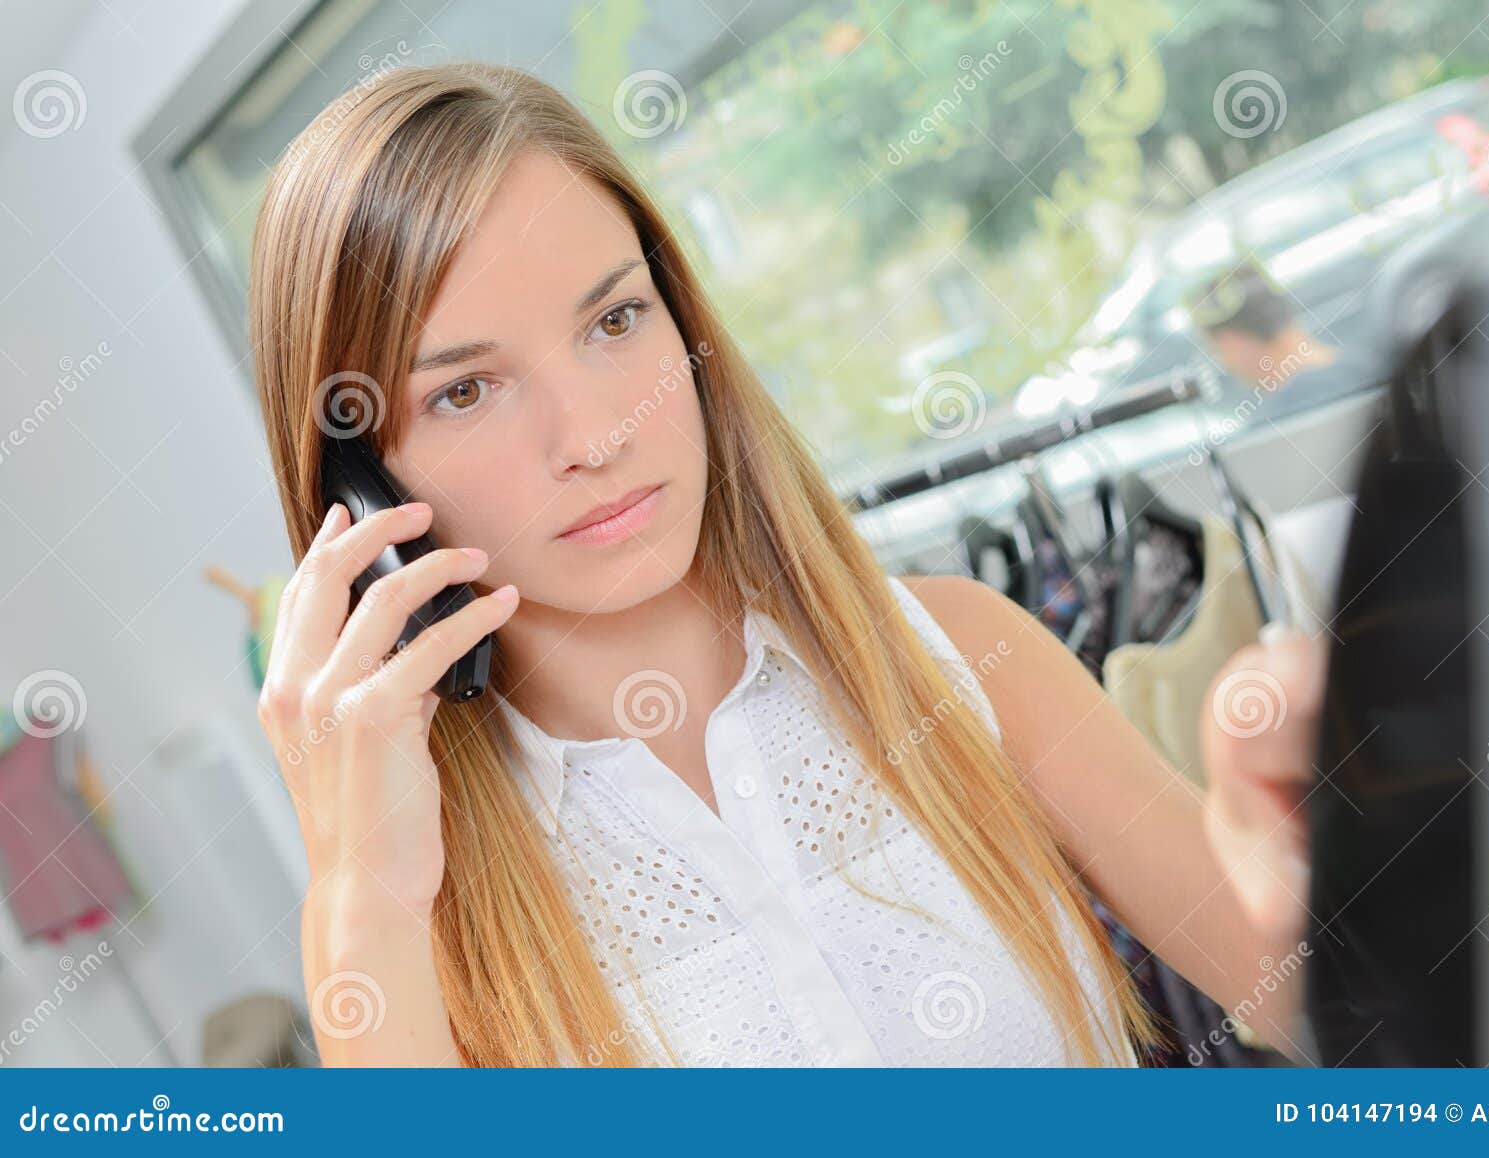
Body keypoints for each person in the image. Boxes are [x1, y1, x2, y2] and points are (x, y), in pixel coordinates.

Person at [250, 61, 1323, 1067]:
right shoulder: (412, 898)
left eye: (616, 319)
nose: (595, 434)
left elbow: (1347, 1007)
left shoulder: (962, 653)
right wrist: (364, 895)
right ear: (360, 484)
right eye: (466, 390)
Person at [1190, 260, 1379, 424]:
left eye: (1216, 352)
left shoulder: (1279, 420)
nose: (1225, 364)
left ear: (1232, 343)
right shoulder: (1370, 364)